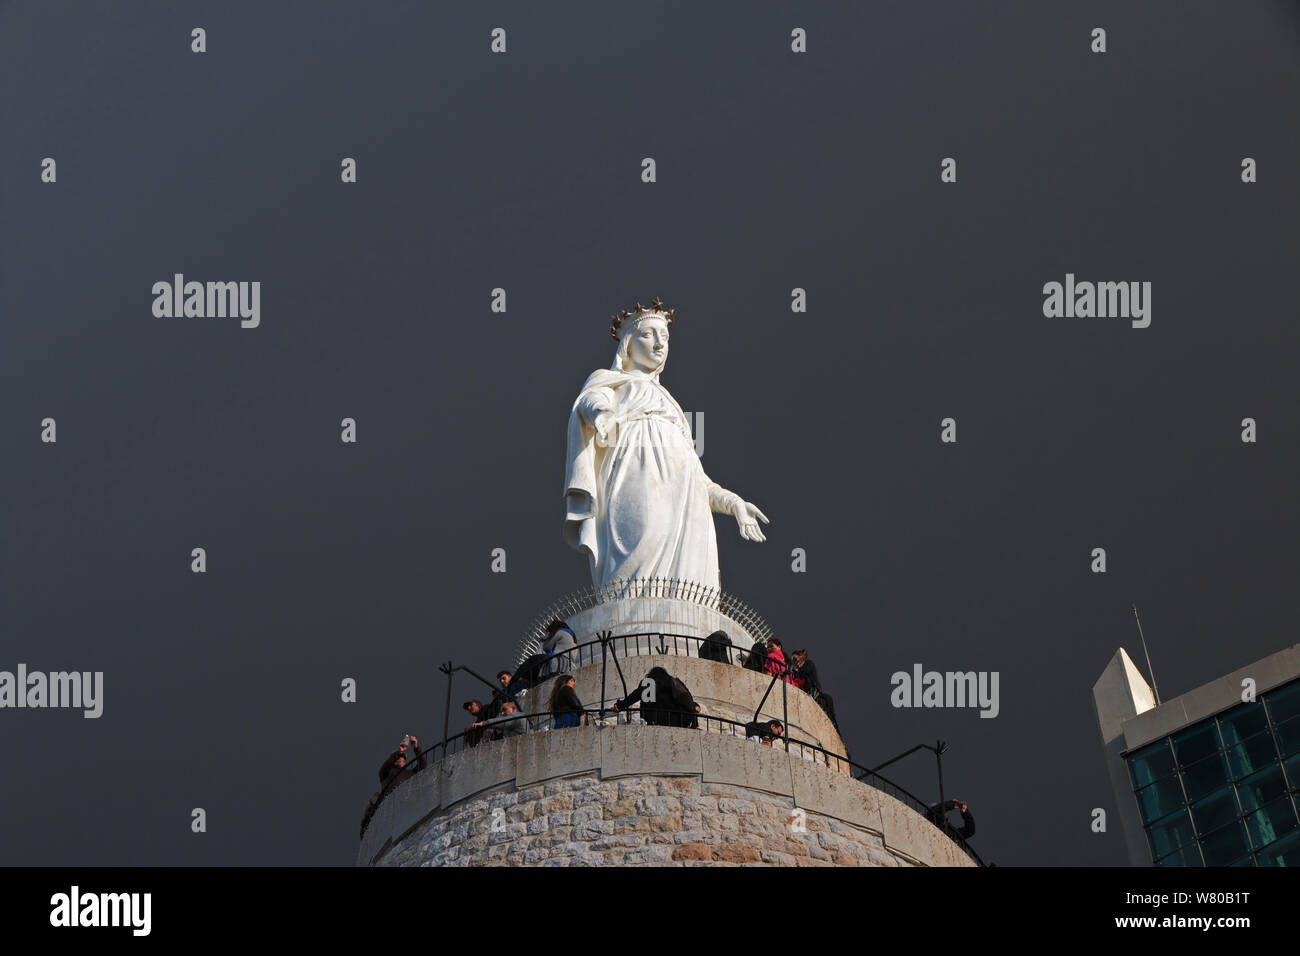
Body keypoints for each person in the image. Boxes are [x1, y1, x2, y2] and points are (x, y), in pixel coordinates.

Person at [562, 299, 768, 591]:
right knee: (641, 541)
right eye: (649, 335)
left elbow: (697, 476)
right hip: (634, 471)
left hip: (686, 495)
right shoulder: (610, 382)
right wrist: (601, 414)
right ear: (628, 345)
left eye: (666, 337)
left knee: (690, 584)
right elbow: (589, 401)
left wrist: (734, 504)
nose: (660, 344)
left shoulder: (673, 407)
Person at [612, 666, 701, 728]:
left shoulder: (650, 682)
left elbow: (637, 694)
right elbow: (688, 700)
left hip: (656, 720)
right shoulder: (675, 683)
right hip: (678, 721)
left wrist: (620, 705)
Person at [789, 648, 840, 731]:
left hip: (814, 694)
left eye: (795, 659)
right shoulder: (798, 671)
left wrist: (795, 670)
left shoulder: (808, 664)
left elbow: (804, 671)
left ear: (800, 657)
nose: (794, 662)